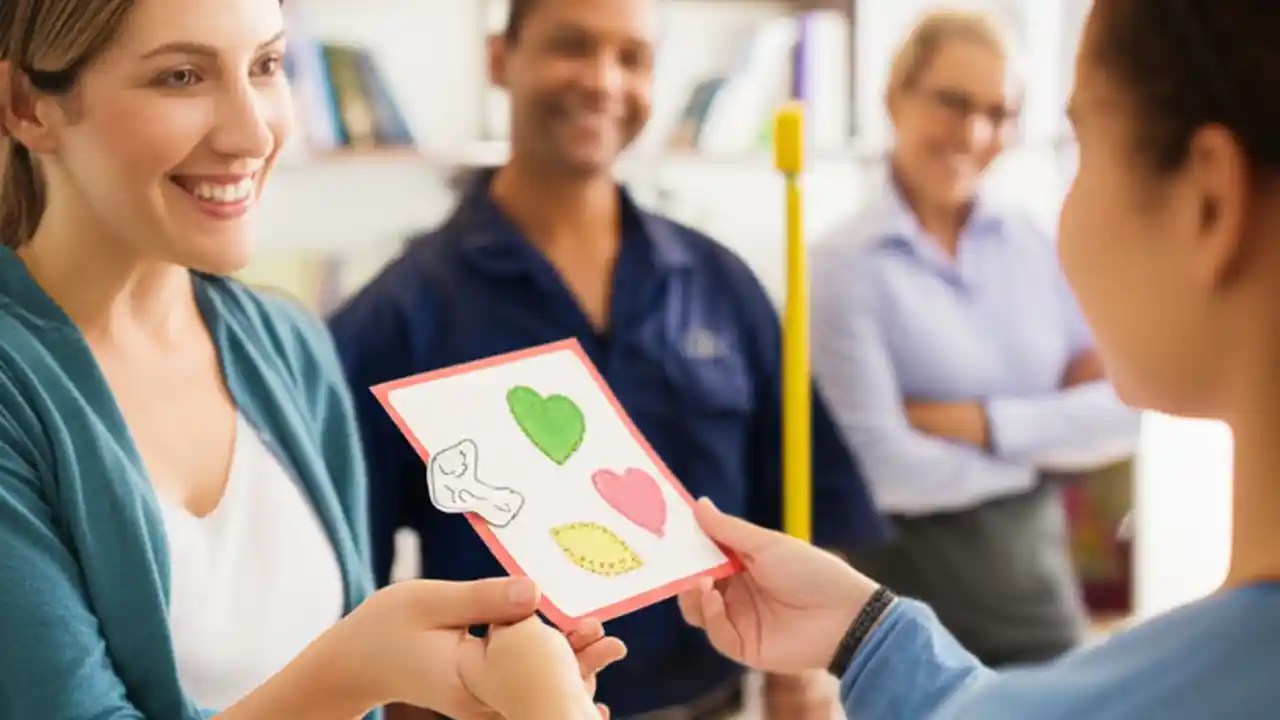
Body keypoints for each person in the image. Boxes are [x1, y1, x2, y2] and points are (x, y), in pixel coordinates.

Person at [0, 0, 623, 718]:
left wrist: (465, 693)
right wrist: (358, 671)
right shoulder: (17, 388)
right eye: (180, 76)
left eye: (266, 65)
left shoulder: (288, 346)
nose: (253, 131)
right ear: (26, 107)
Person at [327, 0, 890, 717]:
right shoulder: (398, 315)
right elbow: (352, 593)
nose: (603, 81)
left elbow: (808, 502)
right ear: (501, 59)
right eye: (572, 47)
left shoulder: (720, 284)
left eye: (632, 58)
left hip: (713, 702)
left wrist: (808, 669)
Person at [810, 8, 1140, 666]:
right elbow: (882, 470)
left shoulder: (1040, 245)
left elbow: (1126, 409)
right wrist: (1046, 443)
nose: (975, 132)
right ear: (895, 97)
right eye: (953, 103)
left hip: (1041, 604)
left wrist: (977, 423)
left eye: (1000, 111)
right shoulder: (841, 266)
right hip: (904, 619)